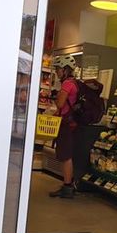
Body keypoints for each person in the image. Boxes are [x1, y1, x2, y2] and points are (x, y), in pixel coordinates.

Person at [49, 54, 80, 199]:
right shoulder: (74, 82)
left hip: (66, 125)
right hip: (69, 122)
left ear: (66, 69)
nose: (57, 71)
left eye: (58, 69)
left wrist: (57, 95)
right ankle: (68, 184)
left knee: (66, 155)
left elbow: (60, 104)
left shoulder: (67, 84)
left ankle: (67, 187)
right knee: (66, 154)